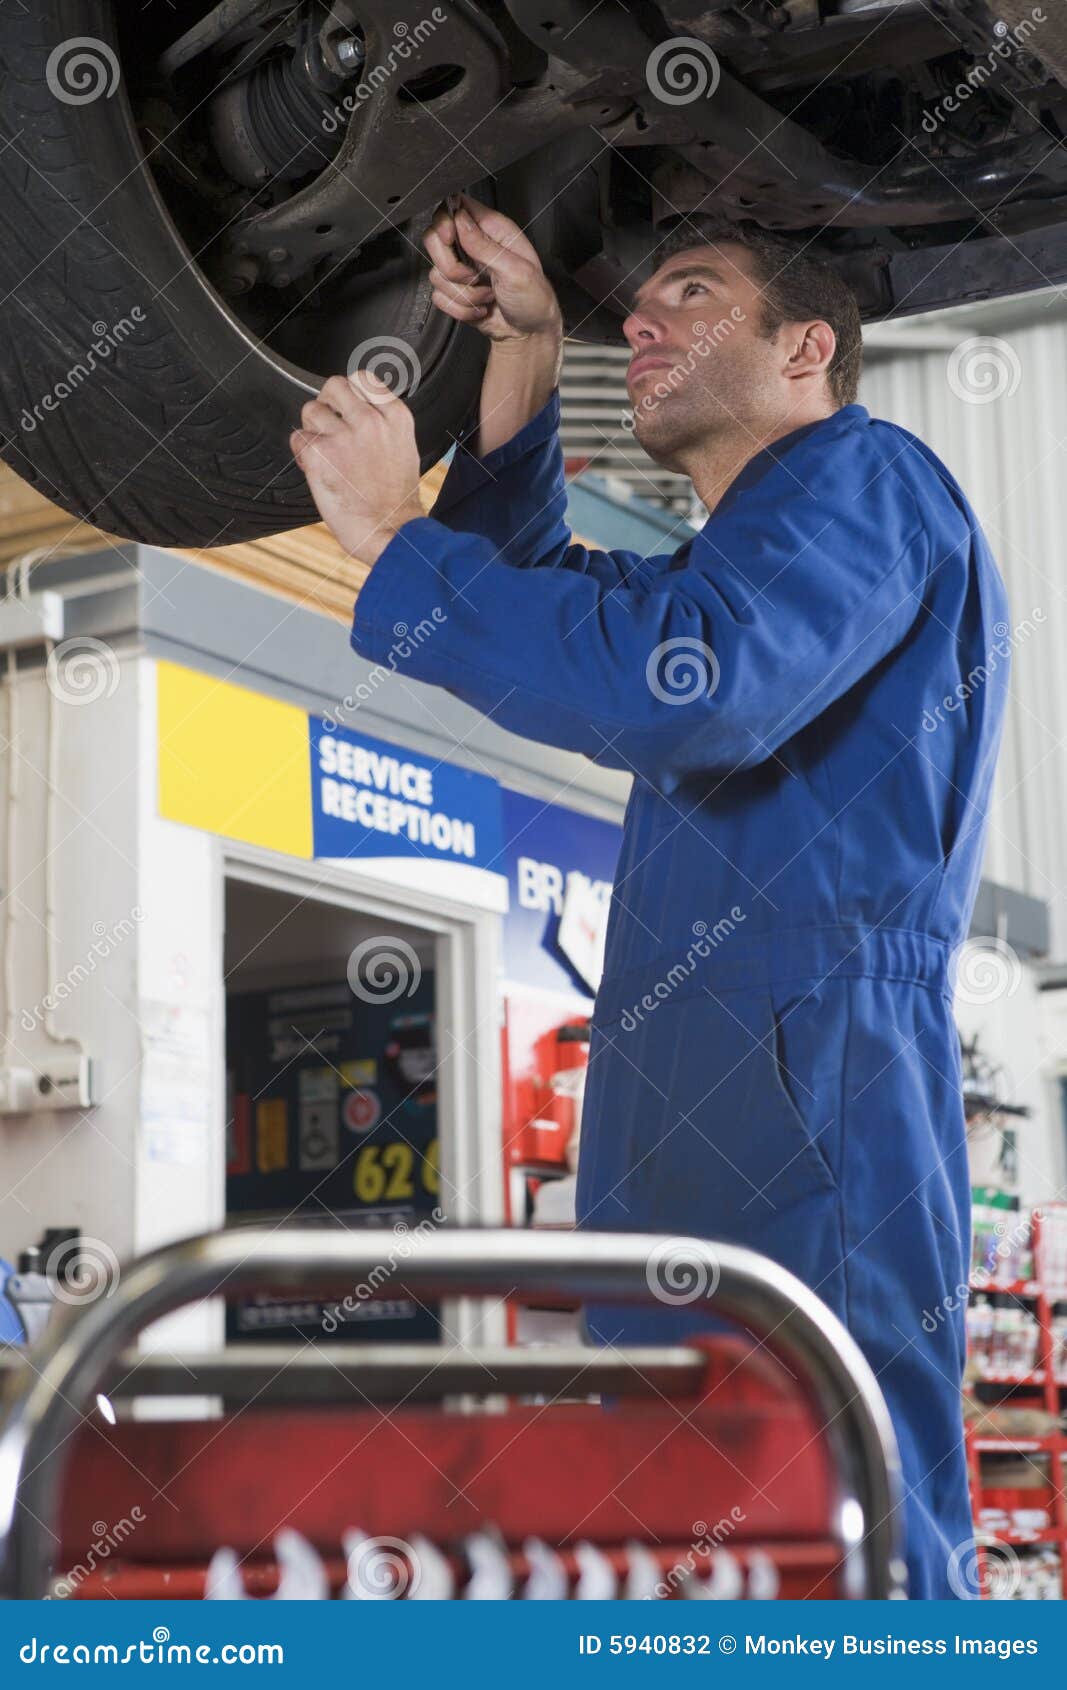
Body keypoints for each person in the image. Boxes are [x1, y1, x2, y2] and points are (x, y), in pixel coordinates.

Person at [290, 195, 1009, 1599]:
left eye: (690, 293)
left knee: (849, 1507)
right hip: (697, 1066)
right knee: (688, 1529)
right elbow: (565, 613)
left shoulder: (870, 478)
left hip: (815, 1065)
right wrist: (532, 357)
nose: (646, 319)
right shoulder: (729, 564)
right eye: (640, 303)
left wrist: (390, 536)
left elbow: (692, 680)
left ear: (808, 347)